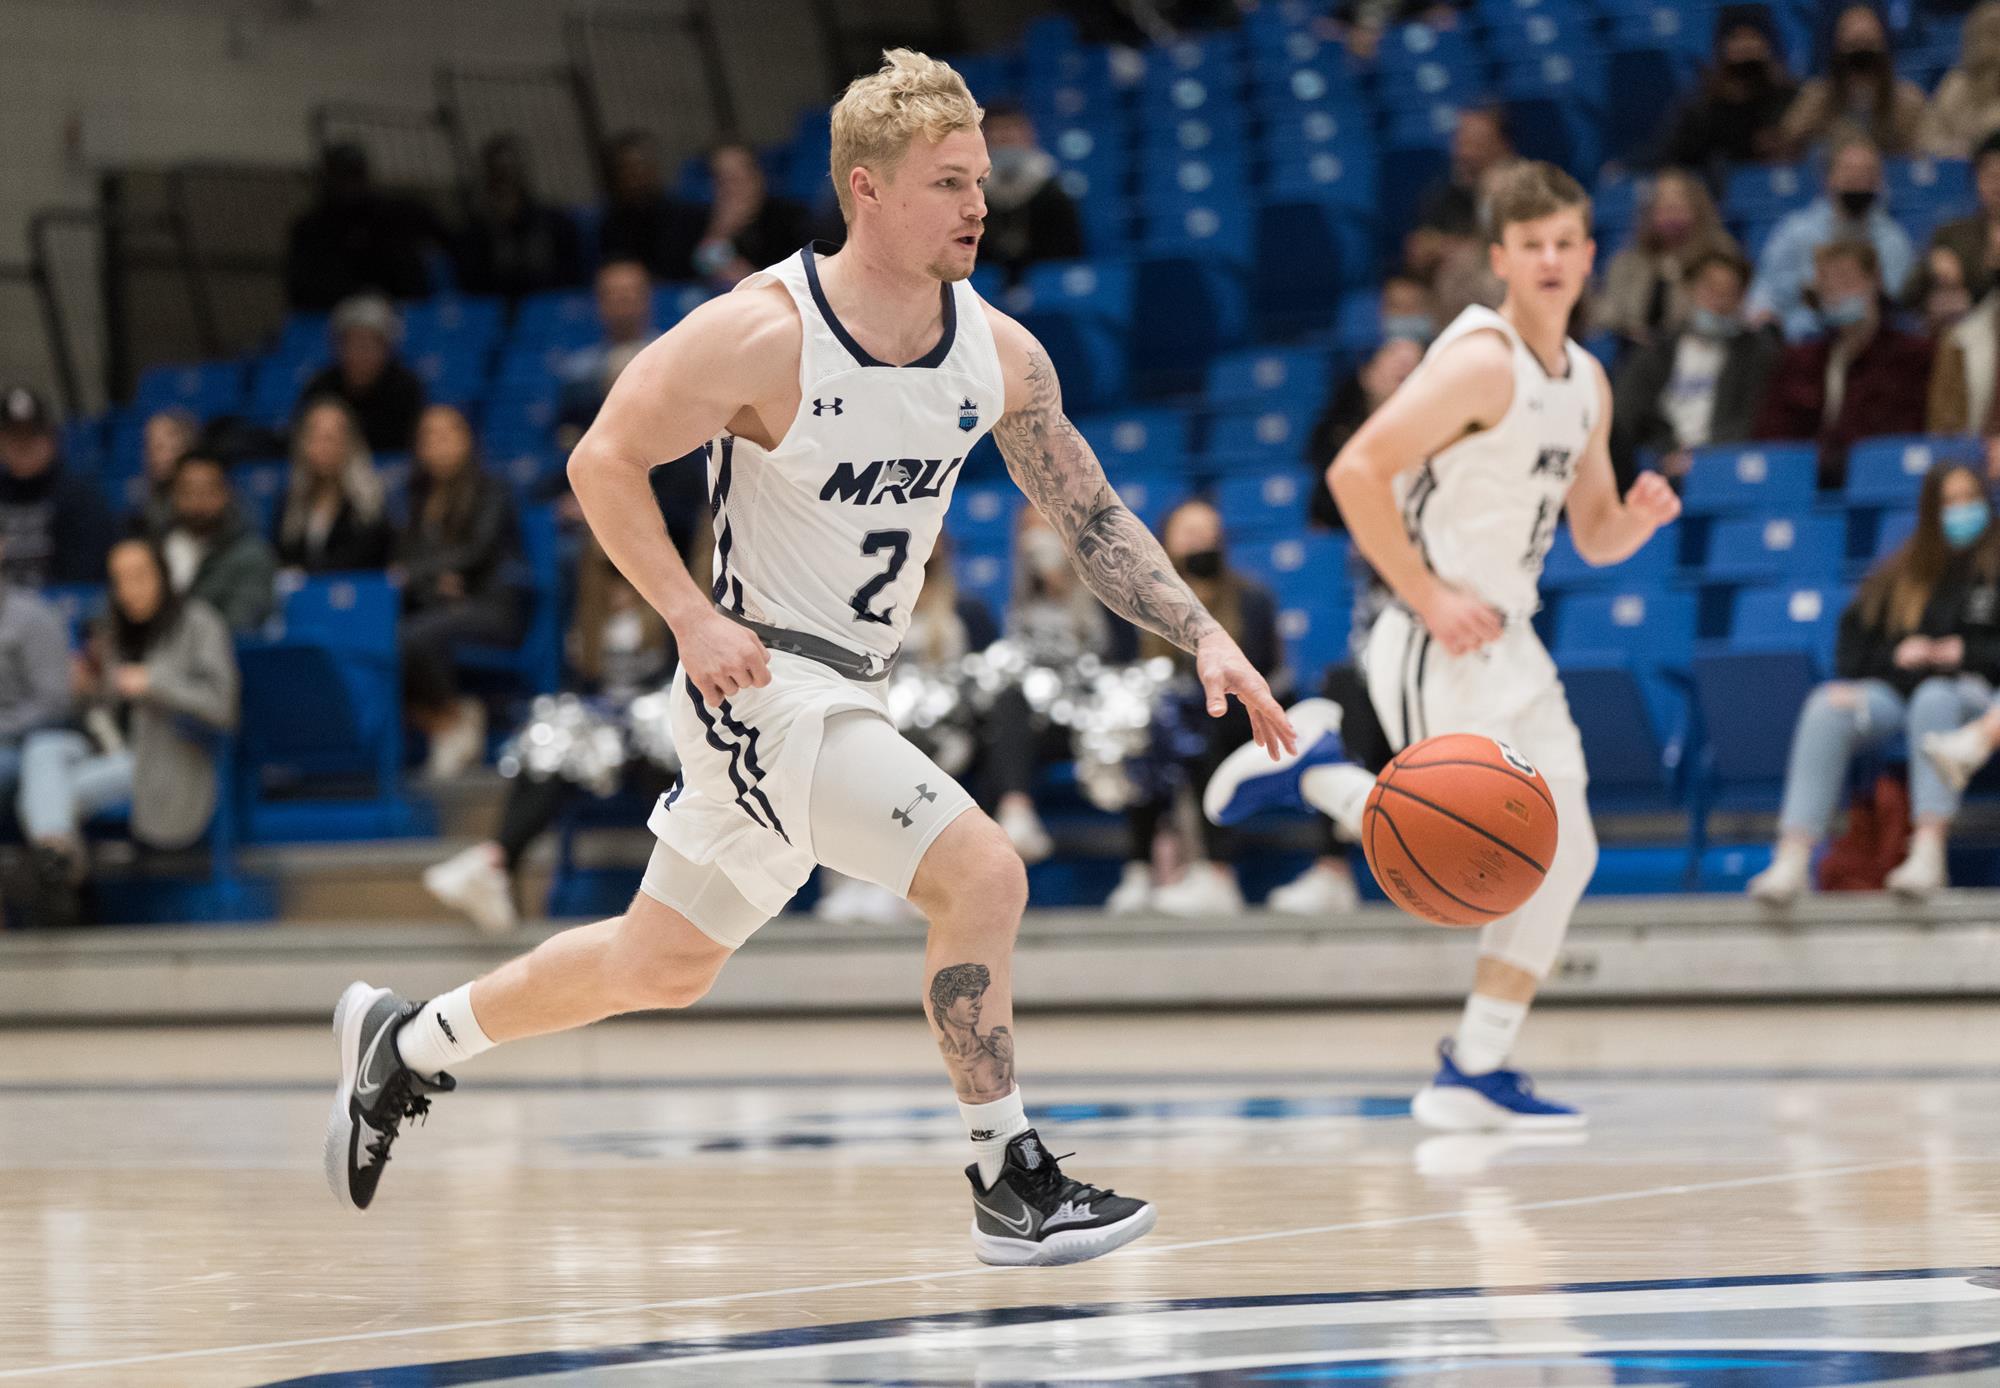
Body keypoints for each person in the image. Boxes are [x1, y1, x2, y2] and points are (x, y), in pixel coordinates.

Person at [323, 49, 1290, 1268]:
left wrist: (1203, 632)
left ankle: (403, 1045)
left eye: (981, 179)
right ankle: (1008, 1174)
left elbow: (1089, 516)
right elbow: (600, 463)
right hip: (762, 681)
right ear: (864, 190)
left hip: (852, 684)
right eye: (948, 182)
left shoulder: (999, 352)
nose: (978, 204)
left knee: (657, 962)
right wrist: (689, 614)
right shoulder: (761, 334)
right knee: (982, 874)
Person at [1204, 162, 1681, 1130]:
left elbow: (1589, 533)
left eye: (1565, 243)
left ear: (1589, 255)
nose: (1549, 259)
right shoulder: (1479, 361)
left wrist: (1635, 520)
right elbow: (1353, 470)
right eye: (1530, 244)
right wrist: (1425, 594)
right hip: (1429, 632)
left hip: (1510, 636)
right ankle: (1310, 770)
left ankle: (1473, 1066)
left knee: (1568, 850)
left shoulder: (1583, 379)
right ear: (1499, 257)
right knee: (1446, 839)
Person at [1748, 461, 2000, 903]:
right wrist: (1899, 656)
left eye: (1969, 499)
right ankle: (1792, 857)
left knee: (1934, 698)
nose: (1960, 510)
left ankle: (1928, 848)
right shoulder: (1899, 571)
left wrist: (1964, 653)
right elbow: (1854, 651)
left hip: (1973, 690)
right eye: (1949, 501)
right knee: (1827, 707)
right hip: (1896, 689)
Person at [425, 535, 673, 935]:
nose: (618, 581)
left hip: (659, 732)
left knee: (654, 727)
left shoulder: (672, 603)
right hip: (603, 736)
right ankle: (495, 863)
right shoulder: (584, 614)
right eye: (608, 570)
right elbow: (580, 686)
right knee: (548, 739)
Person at [16, 538, 238, 925]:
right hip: (109, 751)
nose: (129, 590)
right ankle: (63, 862)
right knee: (42, 749)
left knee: (43, 793)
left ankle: (63, 871)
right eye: (119, 580)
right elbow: (105, 714)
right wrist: (84, 689)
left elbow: (223, 706)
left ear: (163, 576)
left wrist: (155, 682)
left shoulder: (199, 621)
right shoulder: (113, 627)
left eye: (140, 576)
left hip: (165, 758)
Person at [1109, 498, 1284, 917]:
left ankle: (1218, 873)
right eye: (1189, 534)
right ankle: (1139, 868)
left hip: (1230, 716)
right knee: (1138, 728)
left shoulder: (1250, 597)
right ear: (1165, 541)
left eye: (1209, 534)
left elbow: (1264, 665)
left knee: (1205, 720)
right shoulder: (1136, 600)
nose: (1200, 542)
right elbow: (1123, 665)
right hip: (1160, 717)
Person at [396, 404, 527, 781]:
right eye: (428, 436)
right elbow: (403, 563)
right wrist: (432, 579)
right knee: (373, 638)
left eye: (448, 434)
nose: (438, 444)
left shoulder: (492, 490)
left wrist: (427, 574)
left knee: (410, 637)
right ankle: (450, 718)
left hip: (491, 606)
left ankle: (451, 718)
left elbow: (475, 553)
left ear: (468, 439)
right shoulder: (415, 498)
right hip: (436, 606)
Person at [979, 510, 1115, 868]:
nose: (1039, 540)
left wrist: (1064, 581)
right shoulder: (1017, 596)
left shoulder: (1106, 591)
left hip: (1091, 717)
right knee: (1003, 709)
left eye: (1048, 527)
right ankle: (1015, 814)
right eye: (1031, 530)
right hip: (1037, 720)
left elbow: (1118, 657)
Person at [1754, 239, 1932, 490]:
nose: (1838, 292)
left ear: (1875, 281)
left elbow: (1909, 432)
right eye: (1828, 284)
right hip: (1808, 485)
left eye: (1847, 280)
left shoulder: (1913, 355)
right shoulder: (1802, 359)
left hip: (1881, 482)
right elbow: (1772, 433)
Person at [1610, 249, 1782, 489]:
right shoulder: (1657, 352)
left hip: (1726, 465)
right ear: (1691, 289)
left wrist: (1705, 460)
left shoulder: (1756, 354)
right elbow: (1627, 412)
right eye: (1711, 289)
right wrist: (1666, 450)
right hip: (1659, 463)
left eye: (1728, 292)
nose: (1718, 300)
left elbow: (1754, 418)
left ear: (1742, 297)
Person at [1746, 133, 1914, 341]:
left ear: (1880, 182)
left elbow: (1896, 304)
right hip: (1801, 342)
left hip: (1870, 344)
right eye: (1849, 171)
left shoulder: (1892, 240)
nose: (1858, 181)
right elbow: (1765, 293)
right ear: (1829, 178)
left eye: (1867, 173)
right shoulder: (1795, 232)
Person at [1593, 170, 1743, 351]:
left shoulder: (1720, 257)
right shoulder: (1628, 261)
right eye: (1663, 207)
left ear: (1698, 209)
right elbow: (1606, 313)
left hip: (1702, 352)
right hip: (1635, 354)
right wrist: (1628, 328)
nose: (1671, 214)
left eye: (1679, 206)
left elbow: (1724, 312)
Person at [284, 143, 440, 312]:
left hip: (395, 311)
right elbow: (303, 288)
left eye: (355, 175)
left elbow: (411, 275)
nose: (349, 184)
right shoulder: (311, 228)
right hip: (332, 314)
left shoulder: (391, 216)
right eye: (341, 176)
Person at [1656, 6, 1799, 175]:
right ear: (1722, 46)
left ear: (1768, 44)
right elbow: (1671, 155)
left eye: (1753, 37)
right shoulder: (1703, 106)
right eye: (1736, 38)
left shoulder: (1793, 99)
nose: (1745, 47)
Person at [1779, 4, 1929, 160]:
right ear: (1838, 51)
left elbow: (1925, 155)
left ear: (1883, 50)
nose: (1861, 61)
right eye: (1853, 49)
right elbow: (1787, 144)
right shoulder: (1816, 97)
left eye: (1868, 50)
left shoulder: (1908, 100)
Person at [1306, 337, 1425, 529]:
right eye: (1394, 357)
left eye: (1413, 365)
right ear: (1366, 374)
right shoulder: (1336, 431)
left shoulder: (1437, 432)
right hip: (1346, 529)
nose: (1403, 365)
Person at [0, 386, 113, 588]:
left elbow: (86, 574)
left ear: (52, 439)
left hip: (61, 609)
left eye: (32, 435)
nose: (23, 446)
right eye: (14, 436)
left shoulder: (80, 495)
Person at [151, 453, 277, 632]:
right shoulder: (154, 549)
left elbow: (242, 622)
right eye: (187, 491)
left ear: (226, 493)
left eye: (207, 491)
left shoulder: (251, 555)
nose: (197, 502)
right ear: (174, 495)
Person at [454, 134, 586, 300]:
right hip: (497, 314)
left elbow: (572, 278)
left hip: (550, 307)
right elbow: (473, 287)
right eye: (498, 174)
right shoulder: (474, 233)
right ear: (488, 177)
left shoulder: (556, 222)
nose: (506, 181)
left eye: (511, 172)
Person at [274, 397, 393, 576]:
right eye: (316, 437)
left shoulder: (369, 505)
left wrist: (306, 576)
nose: (324, 446)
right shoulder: (290, 503)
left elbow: (366, 559)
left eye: (332, 438)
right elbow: (282, 557)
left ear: (350, 443)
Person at [299, 294, 427, 456]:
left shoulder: (407, 388)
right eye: (352, 344)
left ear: (387, 348)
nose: (360, 354)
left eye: (369, 344)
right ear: (337, 348)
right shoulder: (320, 388)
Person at [556, 259, 659, 449]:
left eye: (630, 293)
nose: (623, 300)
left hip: (667, 465)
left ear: (647, 298)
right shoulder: (579, 370)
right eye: (614, 294)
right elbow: (567, 432)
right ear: (599, 303)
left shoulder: (671, 358)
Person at [1406, 108, 1515, 284]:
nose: (1465, 154)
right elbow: (1419, 251)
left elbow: (1514, 253)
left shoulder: (1526, 190)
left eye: (1477, 144)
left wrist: (1449, 248)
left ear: (1503, 147)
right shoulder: (1443, 192)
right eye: (1461, 143)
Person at [978, 105, 1085, 277]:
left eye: (1011, 129)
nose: (1004, 137)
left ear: (1029, 134)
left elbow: (1069, 253)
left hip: (1049, 286)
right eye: (996, 130)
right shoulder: (972, 193)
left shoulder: (1054, 192)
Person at [692, 143, 812, 288]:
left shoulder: (792, 219)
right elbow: (699, 271)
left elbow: (794, 285)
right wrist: (721, 230)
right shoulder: (697, 221)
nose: (733, 187)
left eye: (740, 175)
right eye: (724, 179)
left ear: (758, 176)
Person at [598, 130, 707, 283]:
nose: (636, 175)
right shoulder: (610, 224)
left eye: (641, 165)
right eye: (627, 169)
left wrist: (721, 230)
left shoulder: (688, 216)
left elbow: (710, 265)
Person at [1920, 131, 2000, 304]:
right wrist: (1931, 268)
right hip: (1965, 325)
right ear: (1976, 179)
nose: (1997, 184)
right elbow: (1908, 296)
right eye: (1991, 175)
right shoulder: (1951, 233)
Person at [1922, 1, 2000, 159]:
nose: (1989, 44)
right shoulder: (1954, 83)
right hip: (1960, 174)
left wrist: (1979, 144)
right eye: (1984, 33)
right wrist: (1951, 148)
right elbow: (1928, 139)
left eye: (1996, 34)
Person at [127, 407, 198, 535]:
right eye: (148, 447)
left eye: (160, 447)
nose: (151, 456)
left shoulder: (208, 499)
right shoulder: (143, 506)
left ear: (187, 447)